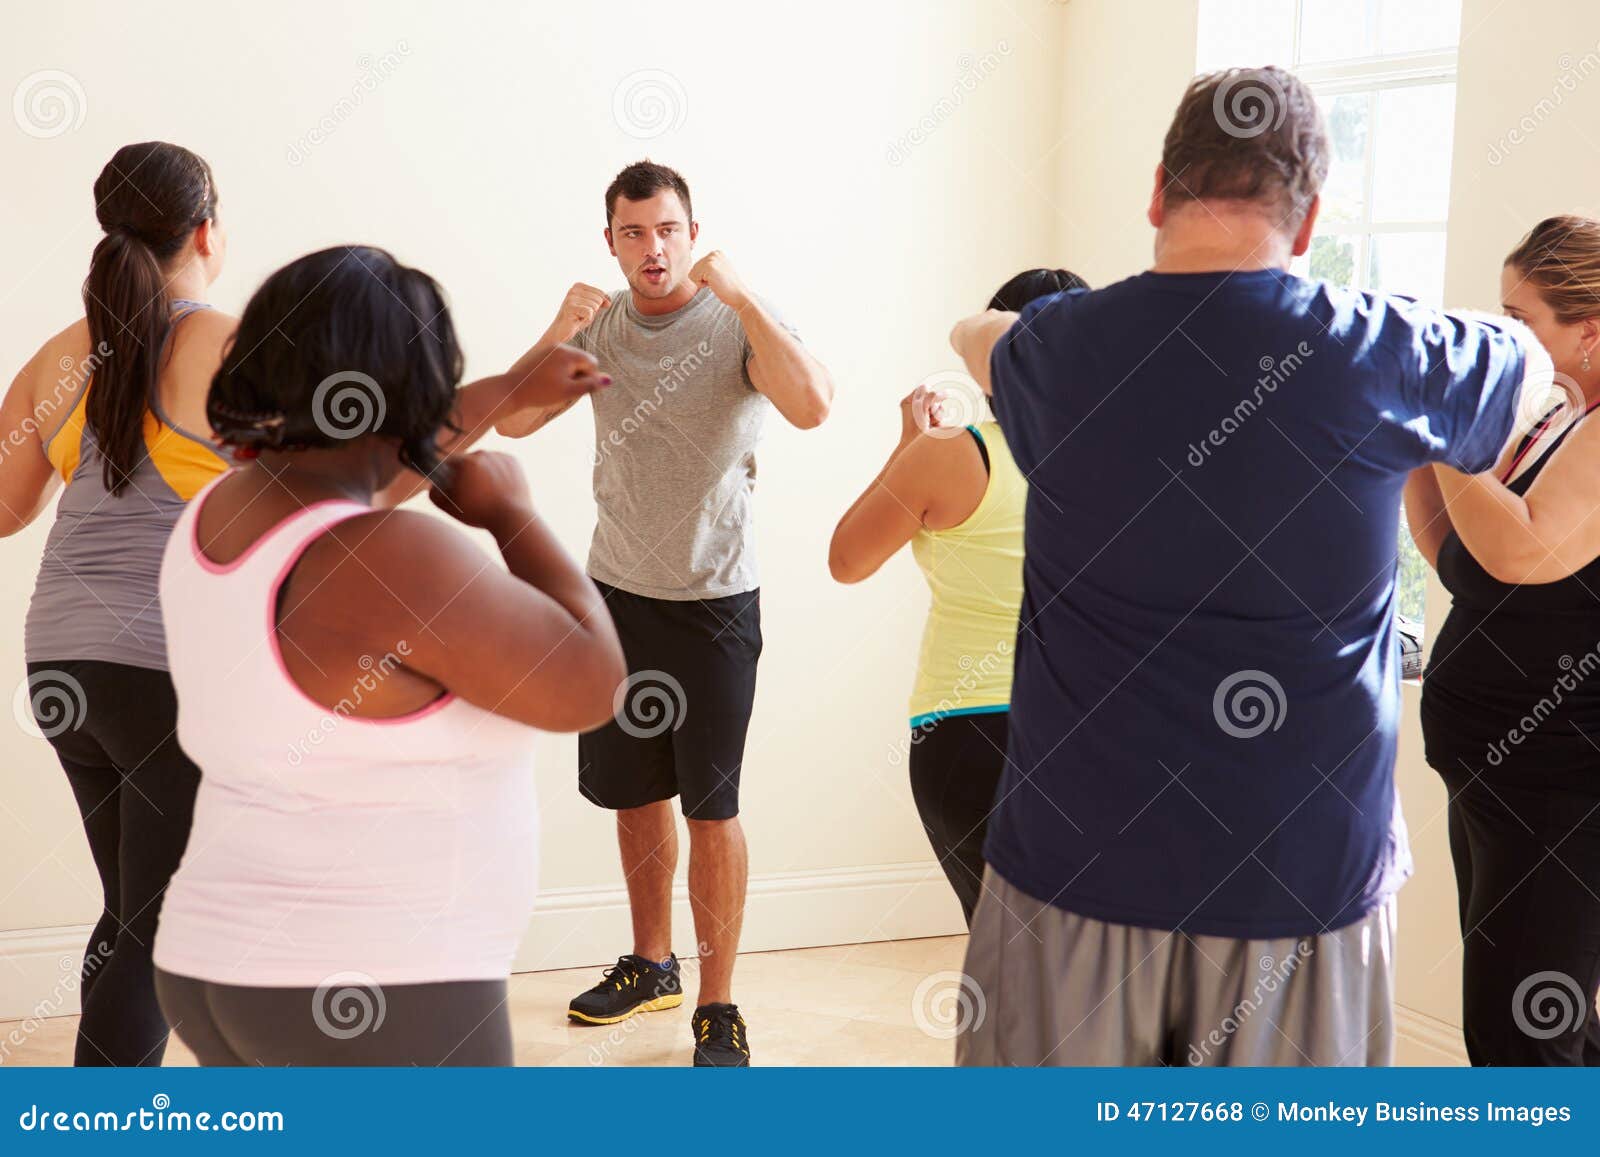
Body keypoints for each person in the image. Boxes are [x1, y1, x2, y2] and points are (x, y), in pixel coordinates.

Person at [946, 66, 1542, 1066]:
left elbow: (974, 336)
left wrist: (1013, 338)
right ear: (1307, 224)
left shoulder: (1055, 355)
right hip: (1298, 882)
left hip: (1072, 865)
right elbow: (1525, 360)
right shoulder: (1383, 350)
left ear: (1154, 194)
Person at [150, 244, 624, 1065]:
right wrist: (514, 515)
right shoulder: (392, 556)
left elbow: (366, 470)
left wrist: (511, 390)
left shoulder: (219, 512)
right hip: (378, 981)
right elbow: (592, 683)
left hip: (210, 966)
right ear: (415, 388)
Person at [496, 160, 833, 1066]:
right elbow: (514, 422)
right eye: (634, 232)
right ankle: (654, 963)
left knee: (711, 808)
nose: (654, 248)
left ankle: (718, 1004)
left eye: (669, 229)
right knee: (635, 791)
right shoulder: (600, 323)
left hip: (716, 602)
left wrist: (746, 295)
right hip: (615, 597)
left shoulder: (733, 322)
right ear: (610, 241)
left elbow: (813, 405)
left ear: (694, 232)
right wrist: (556, 328)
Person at [0, 142, 236, 1066]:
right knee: (159, 926)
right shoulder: (230, 345)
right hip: (162, 672)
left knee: (135, 908)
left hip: (62, 665)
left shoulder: (62, 356)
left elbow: (6, 508)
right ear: (207, 229)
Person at [829, 269, 1086, 924]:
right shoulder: (1121, 463)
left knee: (1005, 947)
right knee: (1073, 955)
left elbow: (847, 559)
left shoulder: (951, 454)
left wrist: (907, 446)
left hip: (966, 733)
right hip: (1089, 727)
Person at [1408, 215, 1600, 1065]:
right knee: (1549, 1028)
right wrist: (1417, 431)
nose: (1503, 335)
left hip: (1558, 787)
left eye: (1520, 318)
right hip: (1493, 773)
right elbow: (1459, 552)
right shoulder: (1554, 424)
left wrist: (1451, 424)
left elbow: (1524, 549)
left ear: (1588, 330)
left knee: (1522, 1039)